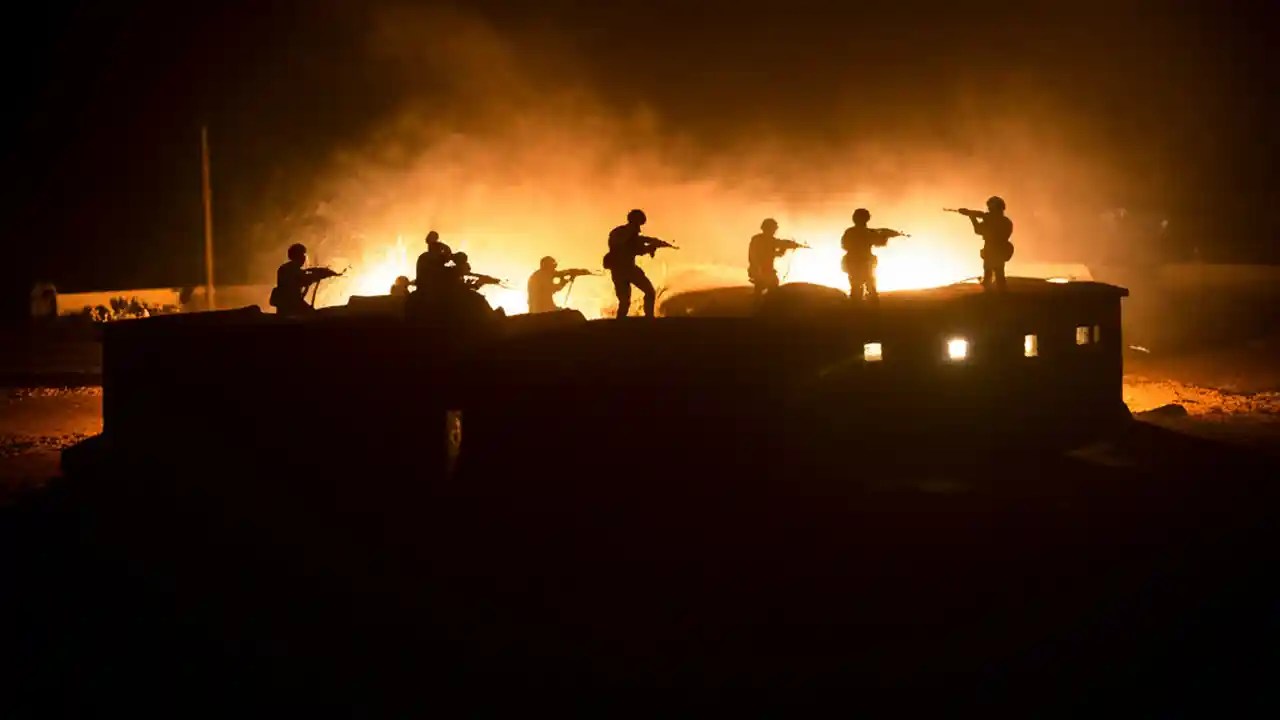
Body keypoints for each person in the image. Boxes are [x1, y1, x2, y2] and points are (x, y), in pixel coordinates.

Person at [603, 209, 674, 318]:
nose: (639, 229)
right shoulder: (626, 234)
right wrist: (651, 247)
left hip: (620, 271)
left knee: (625, 302)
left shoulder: (619, 232)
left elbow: (636, 242)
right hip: (627, 270)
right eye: (639, 224)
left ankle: (620, 325)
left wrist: (652, 242)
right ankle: (648, 320)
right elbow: (635, 249)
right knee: (647, 293)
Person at [840, 209, 906, 302]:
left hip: (853, 262)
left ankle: (856, 308)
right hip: (864, 262)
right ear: (867, 219)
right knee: (870, 288)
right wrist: (885, 236)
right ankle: (870, 310)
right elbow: (879, 242)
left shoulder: (850, 232)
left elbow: (844, 245)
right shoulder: (867, 232)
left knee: (856, 288)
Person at [950, 197, 1014, 290]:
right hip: (1001, 250)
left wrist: (972, 217)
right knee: (1000, 275)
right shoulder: (1007, 222)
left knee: (988, 276)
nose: (989, 210)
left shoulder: (993, 221)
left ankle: (990, 296)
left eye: (990, 208)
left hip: (991, 249)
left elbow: (978, 230)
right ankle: (1000, 295)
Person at [270, 243, 340, 317]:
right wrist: (320, 275)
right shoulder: (290, 269)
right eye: (302, 255)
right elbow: (303, 279)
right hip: (291, 305)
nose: (304, 258)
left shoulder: (286, 268)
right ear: (297, 256)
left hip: (290, 305)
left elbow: (303, 277)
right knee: (314, 316)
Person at [747, 218, 805, 299]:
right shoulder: (761, 240)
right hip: (761, 270)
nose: (774, 231)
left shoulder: (760, 239)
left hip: (762, 270)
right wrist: (785, 247)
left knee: (763, 289)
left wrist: (784, 248)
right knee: (770, 289)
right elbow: (764, 253)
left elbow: (776, 251)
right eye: (773, 229)